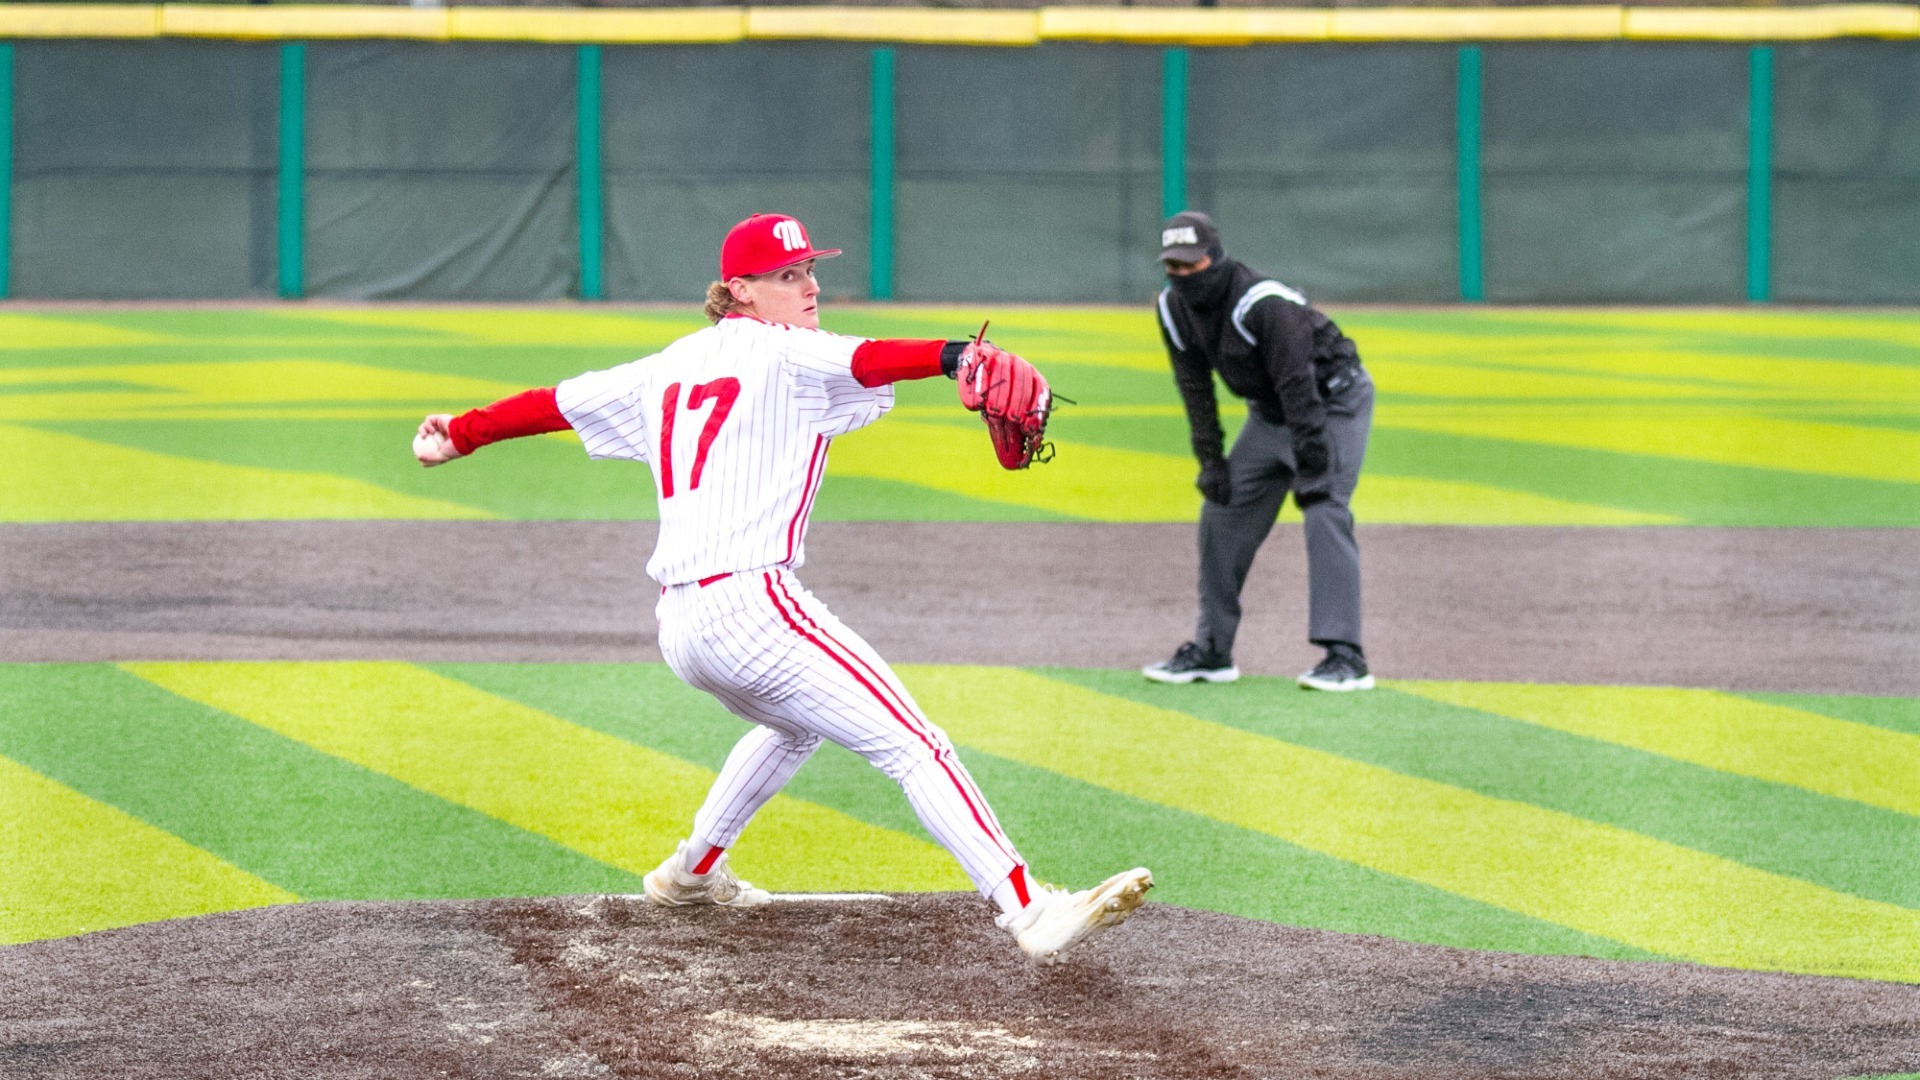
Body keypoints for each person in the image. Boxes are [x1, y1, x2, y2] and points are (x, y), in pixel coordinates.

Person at [411, 213, 1151, 964]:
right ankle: (1028, 909)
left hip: (682, 627)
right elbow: (872, 361)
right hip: (753, 608)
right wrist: (955, 353)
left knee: (796, 727)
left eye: (810, 269)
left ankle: (692, 873)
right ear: (740, 290)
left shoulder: (665, 367)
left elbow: (551, 404)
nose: (811, 285)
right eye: (789, 275)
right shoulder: (790, 355)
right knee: (915, 745)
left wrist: (460, 432)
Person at [1141, 210, 1376, 692]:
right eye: (1174, 267)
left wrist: (1312, 462)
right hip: (1269, 416)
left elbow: (1298, 383)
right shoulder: (1173, 309)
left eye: (1192, 264)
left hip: (1331, 402)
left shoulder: (1264, 302)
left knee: (1324, 509)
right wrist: (1211, 462)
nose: (1184, 275)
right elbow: (1195, 388)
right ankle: (1212, 651)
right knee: (1220, 512)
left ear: (1215, 257)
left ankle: (1345, 657)